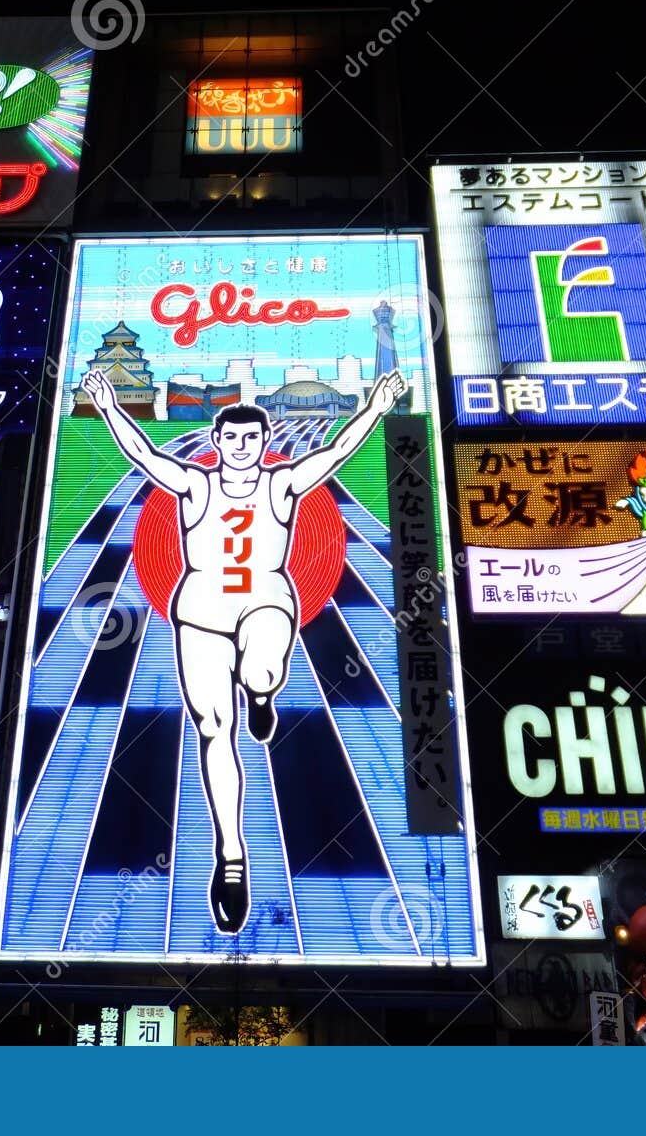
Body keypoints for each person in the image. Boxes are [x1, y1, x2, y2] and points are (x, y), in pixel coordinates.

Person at [79, 366, 407, 933]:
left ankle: (260, 691)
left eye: (251, 437)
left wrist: (376, 408)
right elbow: (144, 456)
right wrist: (109, 406)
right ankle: (231, 857)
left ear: (263, 441)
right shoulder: (195, 485)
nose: (240, 445)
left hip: (266, 601)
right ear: (217, 440)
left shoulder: (281, 485)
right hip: (201, 613)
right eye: (231, 436)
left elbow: (333, 454)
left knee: (263, 667)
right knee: (213, 729)